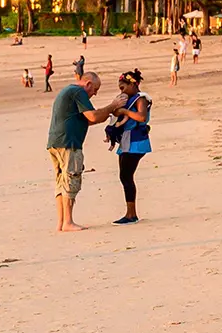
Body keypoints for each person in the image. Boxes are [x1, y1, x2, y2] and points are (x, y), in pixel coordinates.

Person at [46, 71, 120, 232]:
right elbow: (93, 116)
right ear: (88, 84)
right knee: (71, 179)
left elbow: (86, 120)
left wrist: (108, 114)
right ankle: (68, 222)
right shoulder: (78, 92)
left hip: (56, 142)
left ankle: (61, 222)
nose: (95, 93)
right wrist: (113, 106)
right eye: (95, 89)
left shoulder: (69, 90)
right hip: (68, 143)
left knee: (61, 182)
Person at [107, 70, 152, 225]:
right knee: (125, 176)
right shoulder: (132, 98)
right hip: (129, 141)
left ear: (132, 84)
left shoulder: (141, 99)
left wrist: (124, 111)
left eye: (123, 87)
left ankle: (131, 214)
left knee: (126, 176)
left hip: (136, 141)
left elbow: (142, 117)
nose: (122, 91)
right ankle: (130, 213)